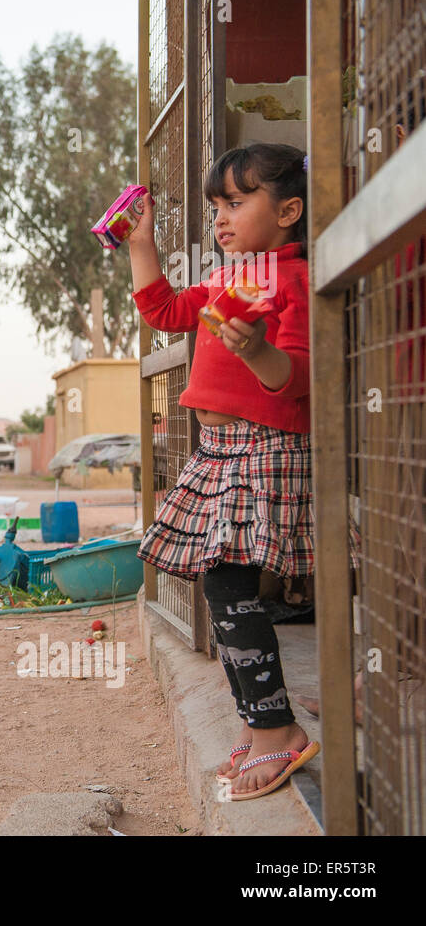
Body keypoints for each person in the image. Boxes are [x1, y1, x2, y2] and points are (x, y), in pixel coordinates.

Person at [126, 143, 319, 801]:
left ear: (289, 209)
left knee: (232, 584)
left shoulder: (291, 282)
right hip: (220, 452)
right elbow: (161, 311)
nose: (222, 218)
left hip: (265, 447)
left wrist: (259, 348)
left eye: (237, 202)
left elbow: (294, 381)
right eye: (216, 207)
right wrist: (140, 243)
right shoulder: (229, 276)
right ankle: (258, 719)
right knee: (221, 585)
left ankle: (276, 729)